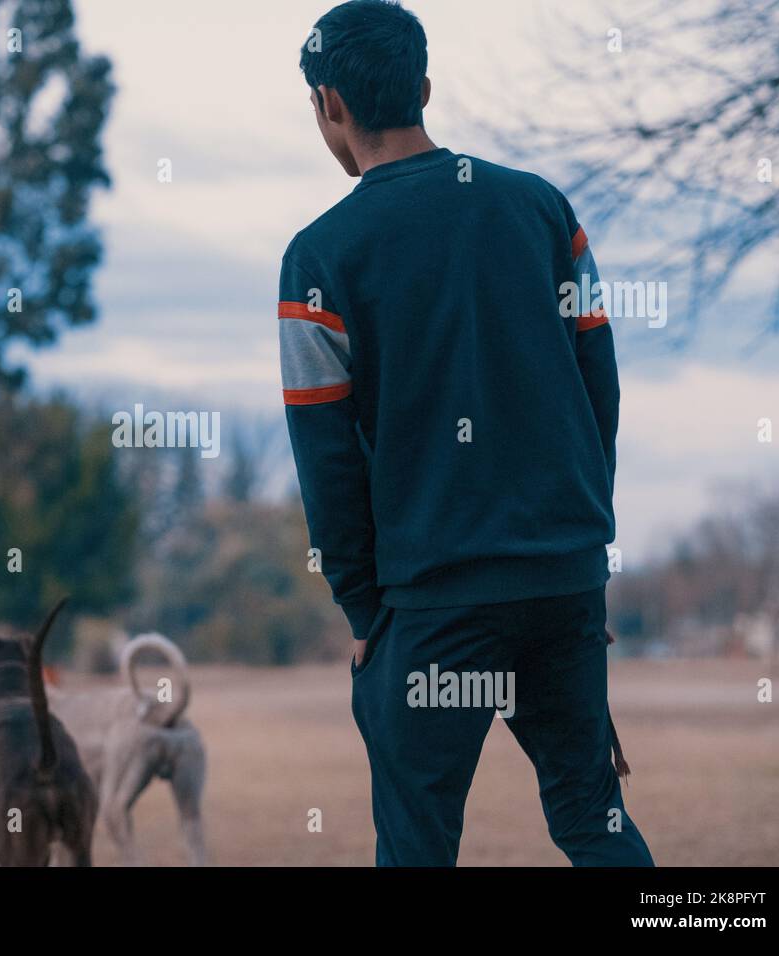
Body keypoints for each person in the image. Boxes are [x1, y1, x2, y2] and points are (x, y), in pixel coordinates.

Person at [279, 0, 654, 866]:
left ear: (328, 105)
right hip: (560, 583)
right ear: (425, 88)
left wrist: (361, 606)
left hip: (430, 601)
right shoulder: (544, 212)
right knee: (593, 822)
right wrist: (576, 544)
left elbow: (325, 457)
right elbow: (600, 390)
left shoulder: (320, 257)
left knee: (417, 847)